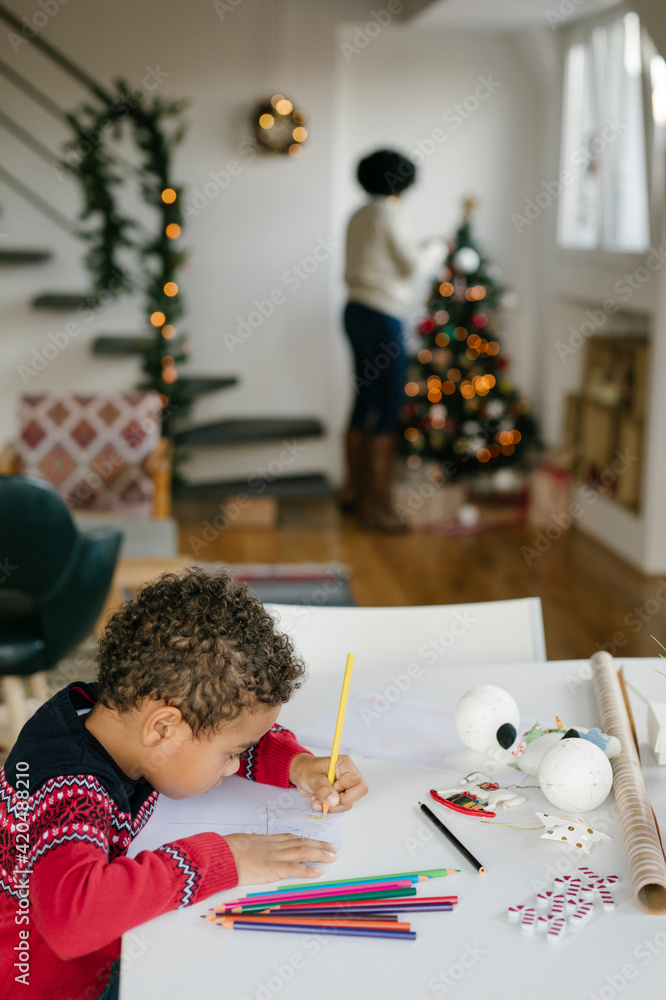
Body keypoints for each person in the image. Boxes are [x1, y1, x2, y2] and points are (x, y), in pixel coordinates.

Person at [0, 569, 367, 1000]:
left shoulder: (118, 713)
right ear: (162, 730)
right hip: (49, 983)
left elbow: (213, 731)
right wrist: (228, 856)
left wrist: (297, 764)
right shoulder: (68, 790)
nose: (233, 766)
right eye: (231, 755)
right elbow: (74, 919)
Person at [341, 148, 443, 532]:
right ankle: (377, 506)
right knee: (388, 403)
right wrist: (437, 247)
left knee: (364, 398)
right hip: (382, 315)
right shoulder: (387, 211)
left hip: (354, 310)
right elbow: (412, 265)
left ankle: (352, 492)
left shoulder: (358, 213)